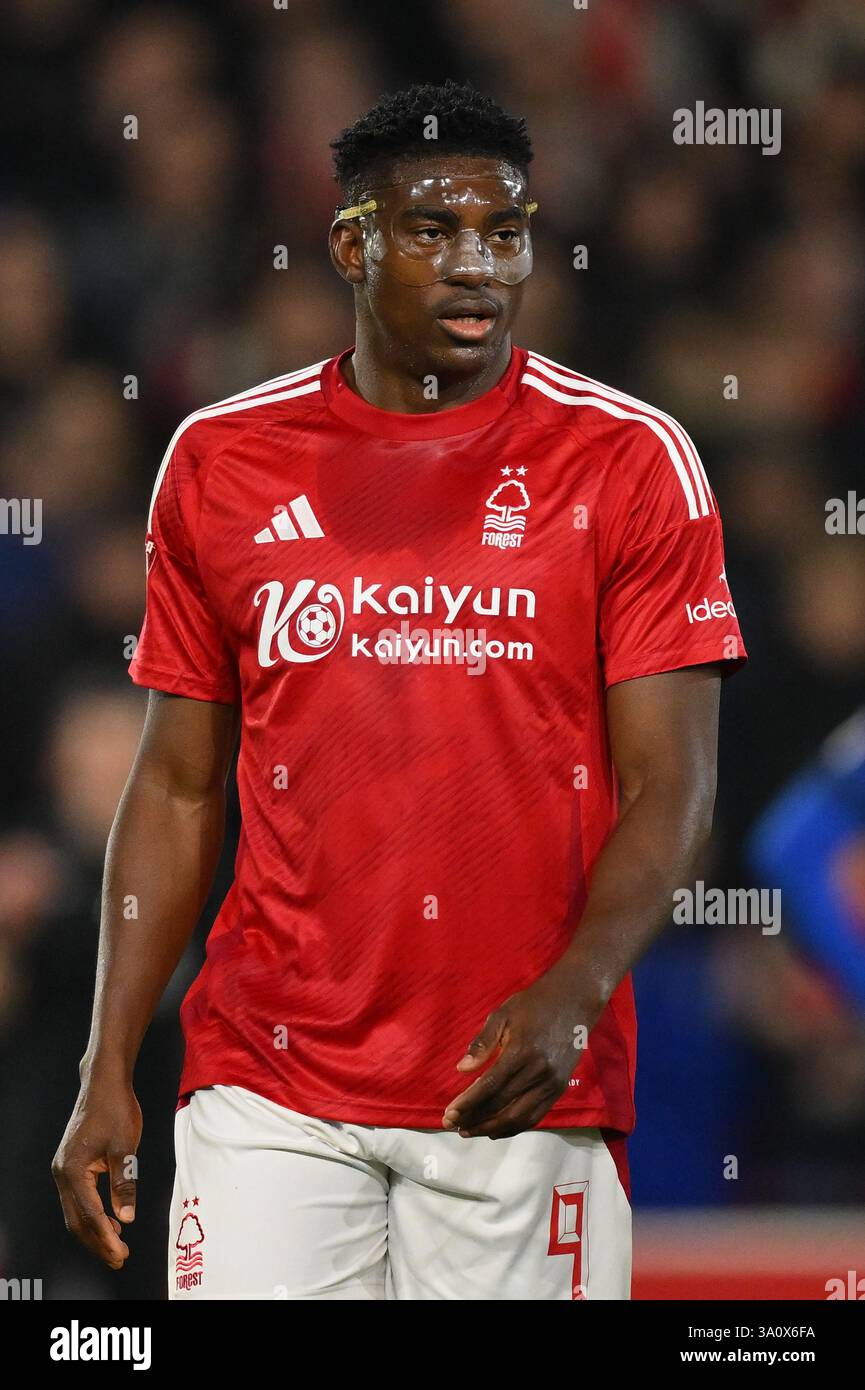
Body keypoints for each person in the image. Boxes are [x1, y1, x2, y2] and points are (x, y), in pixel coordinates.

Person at [53, 80, 746, 1301]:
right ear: (352, 244)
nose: (478, 263)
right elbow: (172, 787)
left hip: (514, 1079)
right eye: (433, 231)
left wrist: (575, 991)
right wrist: (107, 1058)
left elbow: (672, 786)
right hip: (266, 1079)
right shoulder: (221, 461)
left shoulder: (632, 460)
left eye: (506, 231)